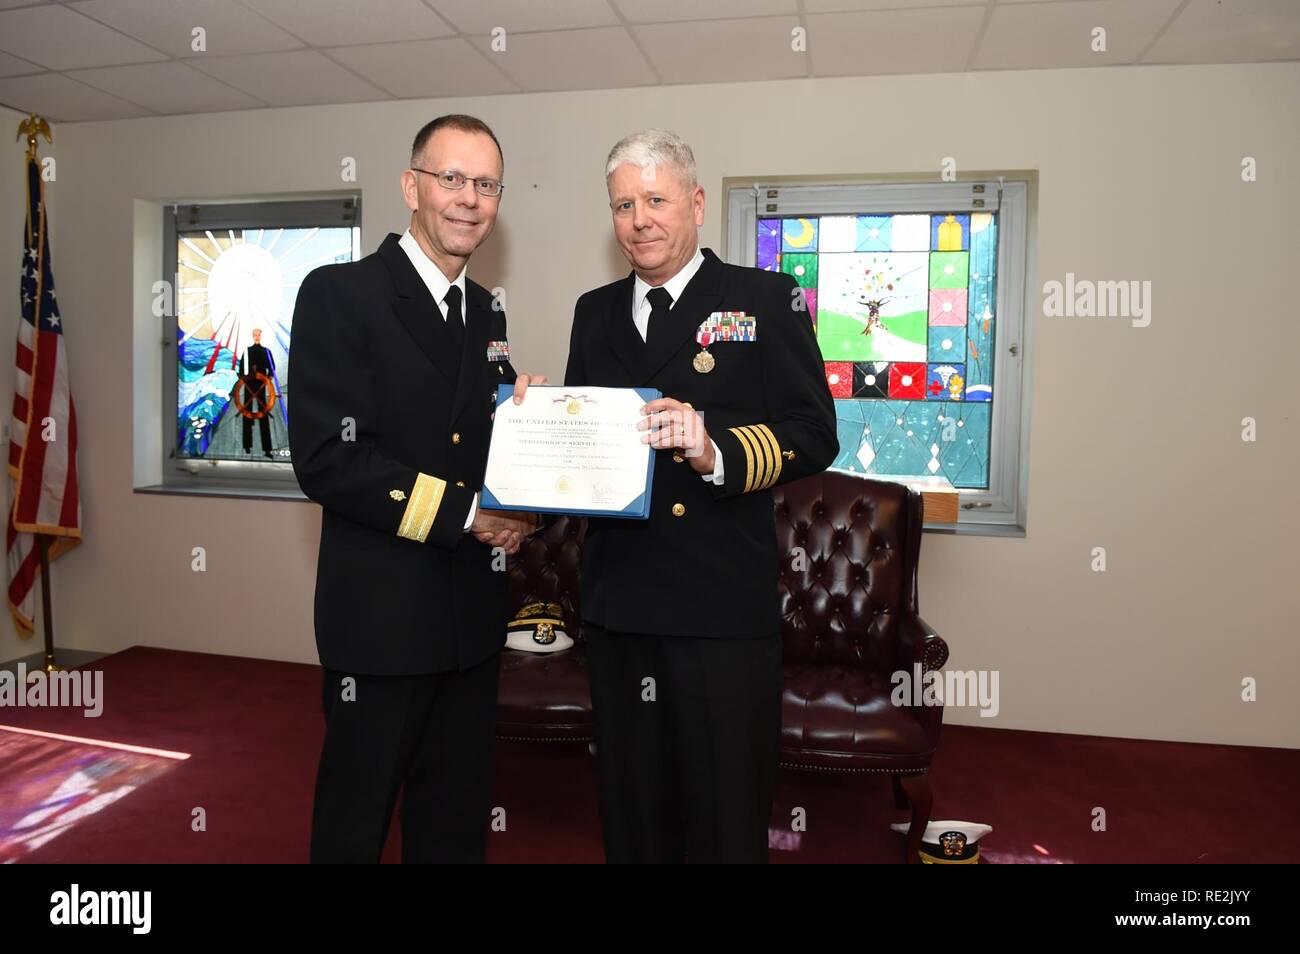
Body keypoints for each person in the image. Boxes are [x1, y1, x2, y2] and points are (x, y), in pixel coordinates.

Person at [516, 128, 837, 862]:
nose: (640, 220)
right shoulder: (593, 311)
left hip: (718, 606)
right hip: (620, 604)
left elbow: (815, 432)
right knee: (632, 807)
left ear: (695, 203)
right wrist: (530, 431)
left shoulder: (762, 296)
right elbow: (585, 451)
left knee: (724, 812)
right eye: (623, 204)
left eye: (656, 199)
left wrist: (712, 448)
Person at [289, 114, 541, 863]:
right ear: (411, 186)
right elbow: (329, 460)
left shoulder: (486, 310)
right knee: (354, 825)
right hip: (380, 625)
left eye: (486, 184)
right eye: (451, 178)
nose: (469, 199)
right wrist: (470, 513)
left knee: (453, 827)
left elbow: (475, 442)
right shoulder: (341, 294)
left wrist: (531, 432)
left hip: (469, 622)